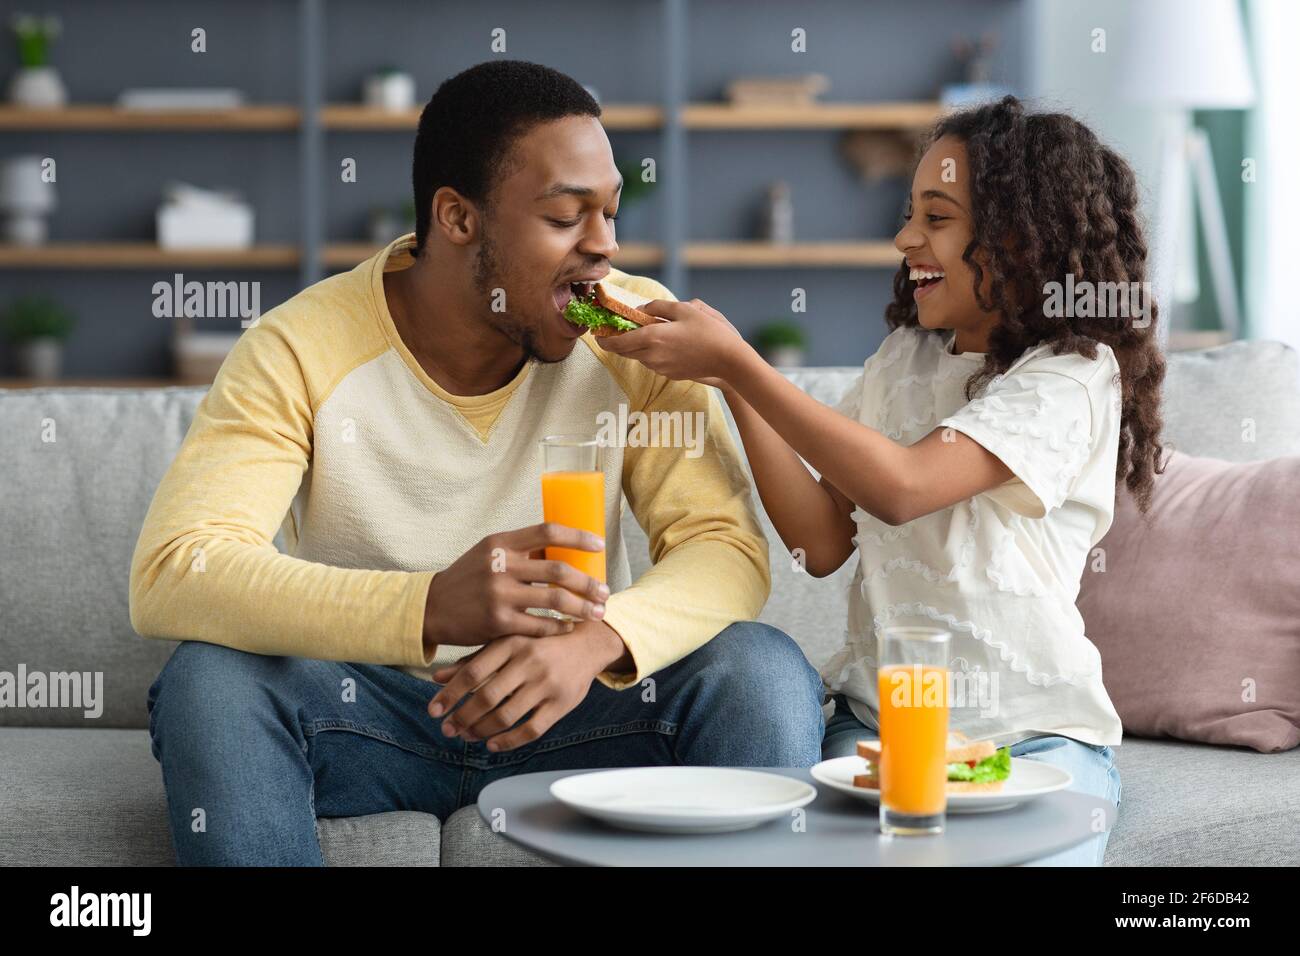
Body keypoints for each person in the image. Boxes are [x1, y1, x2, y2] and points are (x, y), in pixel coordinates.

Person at [132, 60, 826, 866]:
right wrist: (426, 607)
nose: (603, 246)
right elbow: (177, 569)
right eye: (567, 217)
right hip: (371, 717)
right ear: (458, 218)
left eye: (609, 212)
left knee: (760, 668)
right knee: (209, 683)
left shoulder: (637, 333)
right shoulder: (298, 347)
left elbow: (725, 548)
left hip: (578, 711)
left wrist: (595, 643)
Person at [597, 96, 1169, 866]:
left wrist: (741, 363)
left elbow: (904, 485)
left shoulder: (1070, 375)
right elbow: (823, 540)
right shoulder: (904, 360)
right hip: (876, 727)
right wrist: (729, 382)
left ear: (1017, 236)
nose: (905, 239)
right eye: (911, 214)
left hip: (1033, 735)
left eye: (937, 218)